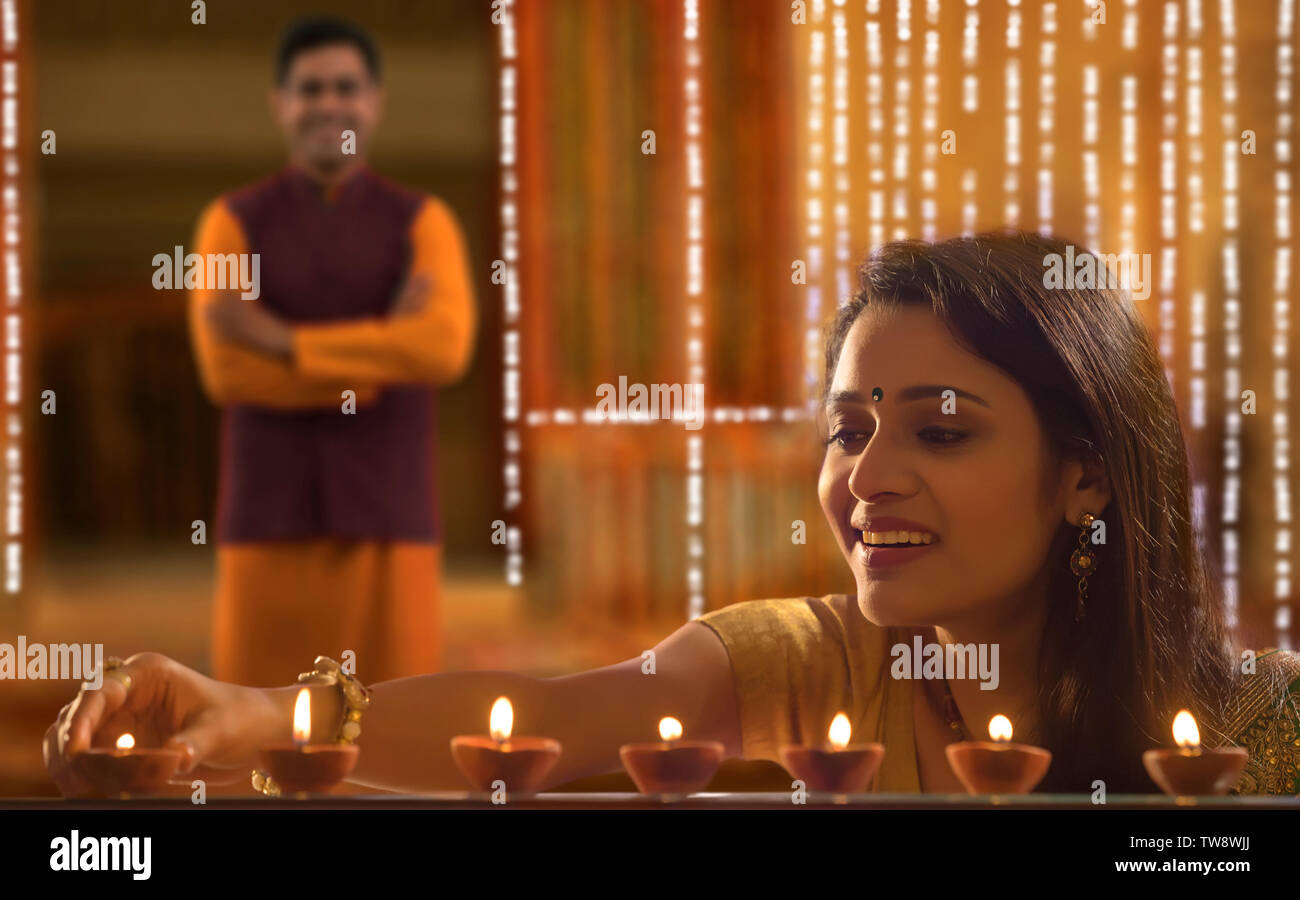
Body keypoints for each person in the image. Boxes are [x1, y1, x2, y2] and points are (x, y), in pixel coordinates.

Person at [47, 232, 1298, 796]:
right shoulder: (820, 668)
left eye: (941, 429)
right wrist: (254, 716)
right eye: (846, 429)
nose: (865, 478)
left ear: (1085, 473)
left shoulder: (1262, 737)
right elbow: (555, 718)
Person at [186, 17, 476, 687]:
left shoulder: (423, 222)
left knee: (390, 741)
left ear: (374, 100)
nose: (328, 104)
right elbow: (225, 368)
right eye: (309, 88)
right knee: (255, 739)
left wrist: (284, 340)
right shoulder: (230, 222)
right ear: (280, 103)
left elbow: (444, 347)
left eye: (347, 87)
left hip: (390, 520)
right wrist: (382, 356)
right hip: (268, 517)